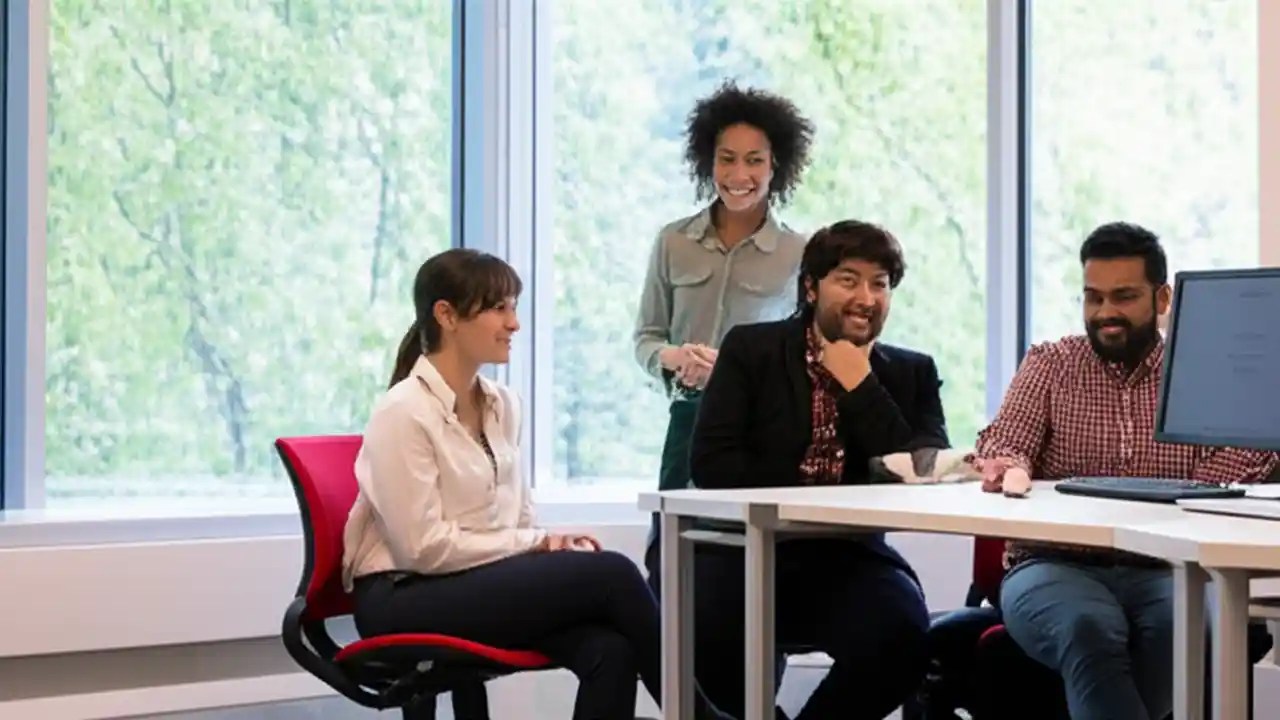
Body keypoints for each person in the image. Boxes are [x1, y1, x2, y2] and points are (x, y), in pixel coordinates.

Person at [343, 249, 732, 720]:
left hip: (470, 582)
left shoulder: (502, 404)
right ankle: (703, 715)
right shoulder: (403, 411)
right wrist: (537, 543)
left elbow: (516, 518)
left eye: (514, 307)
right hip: (404, 595)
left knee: (610, 648)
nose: (514, 324)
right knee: (611, 574)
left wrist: (541, 546)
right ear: (445, 315)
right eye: (498, 308)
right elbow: (421, 549)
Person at [972, 223, 1279, 720]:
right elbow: (1006, 441)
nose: (1105, 313)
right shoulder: (1051, 364)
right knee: (1089, 628)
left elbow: (1236, 469)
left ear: (1162, 298)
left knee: (1180, 631)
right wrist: (1007, 467)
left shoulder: (1203, 369)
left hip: (1169, 569)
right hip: (1052, 565)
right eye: (1093, 297)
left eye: (1124, 296)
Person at [687, 221, 945, 719]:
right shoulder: (751, 350)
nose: (866, 298)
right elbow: (713, 464)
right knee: (706, 629)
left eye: (880, 283)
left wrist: (861, 386)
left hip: (844, 557)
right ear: (811, 286)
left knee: (902, 635)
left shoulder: (911, 372)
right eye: (848, 280)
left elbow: (922, 473)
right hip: (736, 549)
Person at [635, 81, 814, 586]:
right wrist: (674, 358)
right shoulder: (672, 242)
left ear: (776, 166)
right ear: (707, 161)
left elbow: (805, 356)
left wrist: (735, 370)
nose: (739, 175)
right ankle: (671, 667)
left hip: (759, 432)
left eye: (755, 160)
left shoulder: (799, 253)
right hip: (687, 419)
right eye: (727, 159)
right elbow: (645, 338)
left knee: (755, 570)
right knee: (669, 567)